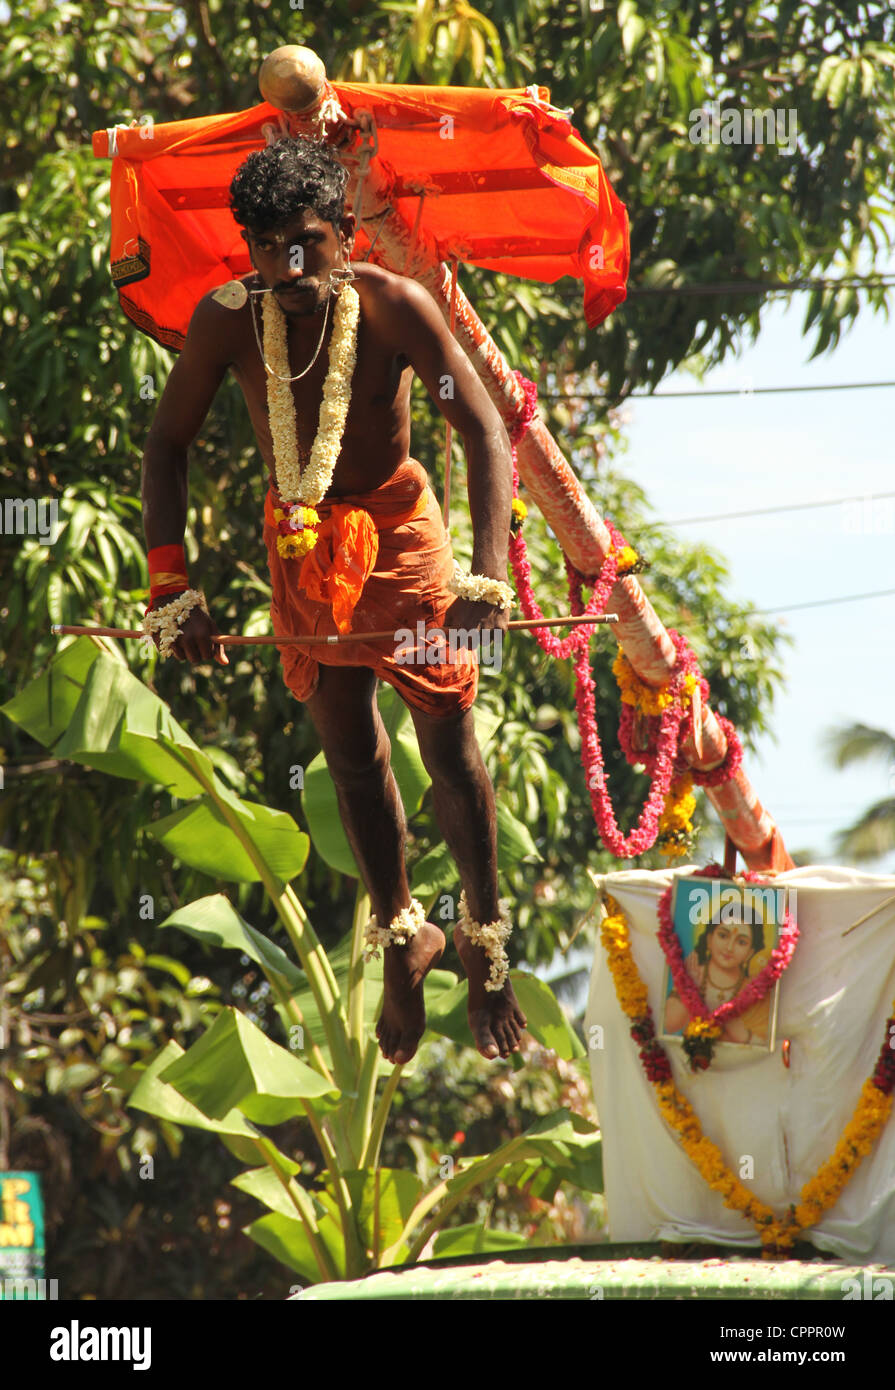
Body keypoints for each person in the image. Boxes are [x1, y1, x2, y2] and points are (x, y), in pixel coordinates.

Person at [140, 135, 527, 1066]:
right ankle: (402, 936)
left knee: (448, 743)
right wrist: (170, 586)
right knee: (348, 751)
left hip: (398, 536)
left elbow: (480, 429)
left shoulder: (396, 307)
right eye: (269, 246)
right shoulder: (229, 317)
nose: (291, 264)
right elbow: (166, 443)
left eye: (308, 241)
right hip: (300, 543)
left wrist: (484, 573)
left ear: (345, 233)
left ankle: (482, 939)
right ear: (249, 249)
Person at [663, 918, 769, 1044]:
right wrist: (688, 986)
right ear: (709, 939)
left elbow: (765, 1047)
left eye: (741, 942)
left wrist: (744, 1036)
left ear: (750, 953)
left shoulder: (754, 990)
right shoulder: (693, 974)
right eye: (723, 936)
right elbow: (669, 1026)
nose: (729, 948)